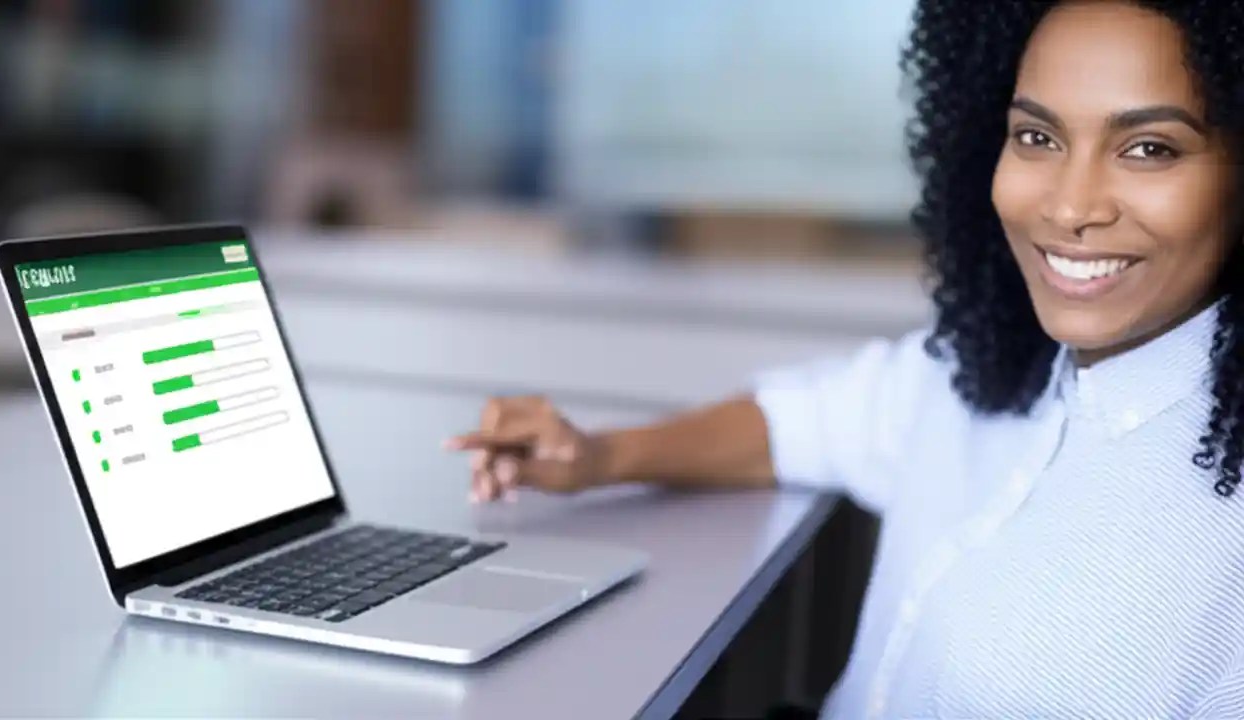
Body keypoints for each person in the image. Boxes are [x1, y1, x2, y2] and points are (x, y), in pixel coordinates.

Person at [445, 1, 1244, 717]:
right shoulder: (980, 369)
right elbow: (804, 420)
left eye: (1148, 149)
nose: (1070, 206)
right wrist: (602, 455)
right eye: (1036, 136)